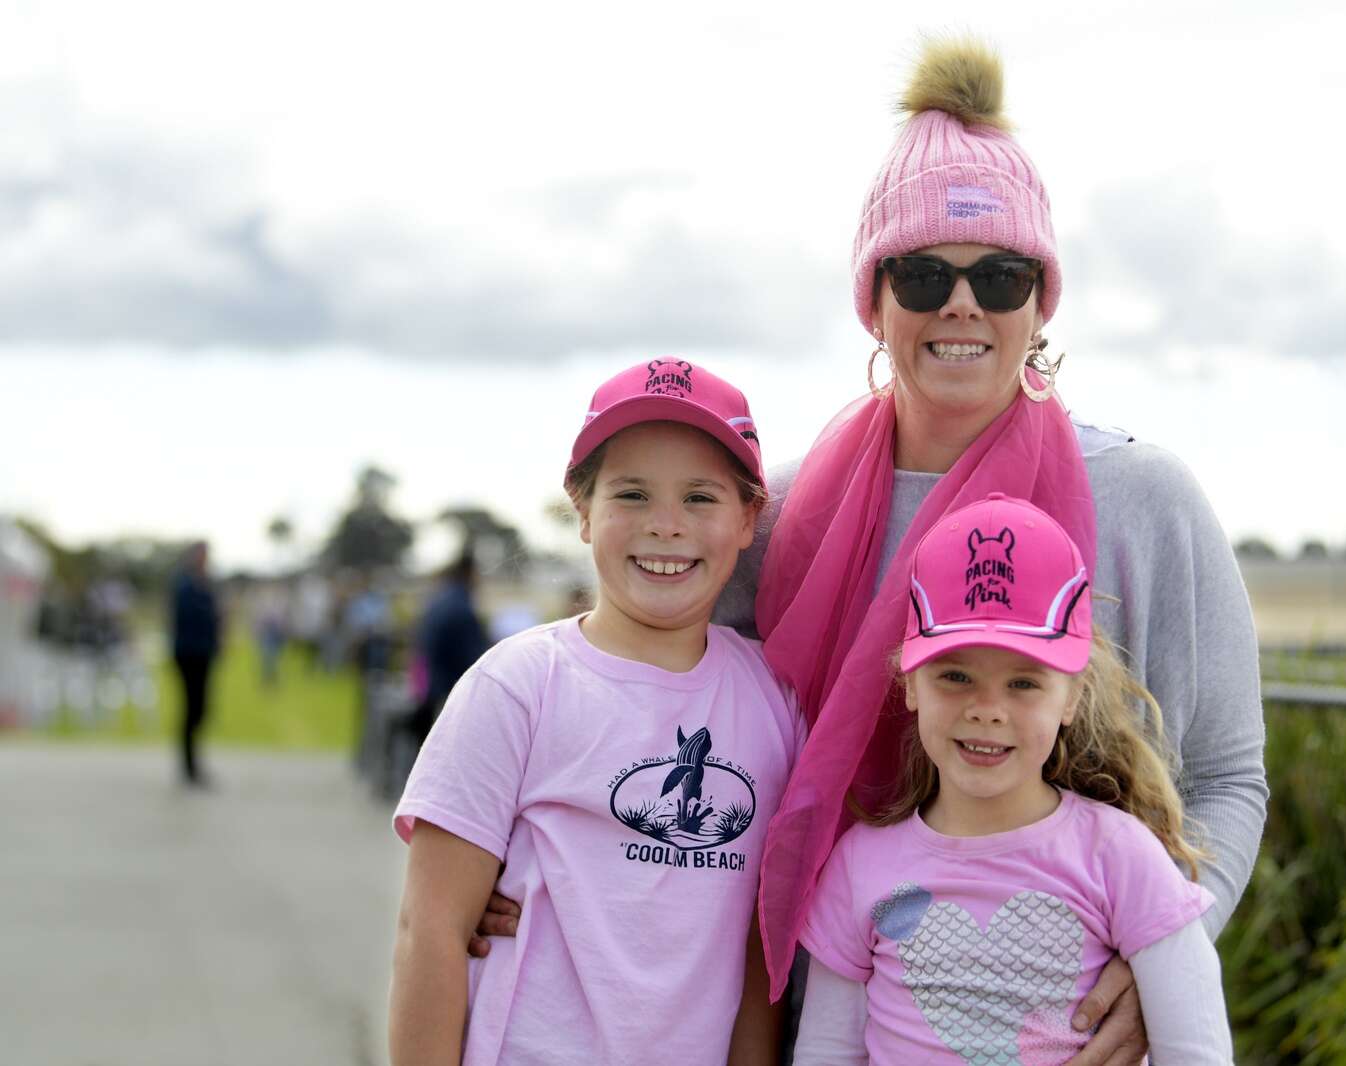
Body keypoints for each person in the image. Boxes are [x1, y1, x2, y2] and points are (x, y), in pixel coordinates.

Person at [474, 37, 1266, 1062]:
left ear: (1042, 300)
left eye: (1002, 276)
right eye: (923, 272)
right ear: (874, 299)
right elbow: (653, 710)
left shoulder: (1146, 502)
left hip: (1068, 1034)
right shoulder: (778, 517)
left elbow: (1227, 773)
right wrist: (523, 856)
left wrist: (1162, 968)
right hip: (806, 1009)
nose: (961, 304)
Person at [388, 360, 807, 1066]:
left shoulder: (776, 699)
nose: (665, 525)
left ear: (748, 519)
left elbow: (758, 956)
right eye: (632, 494)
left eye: (700, 498)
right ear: (583, 511)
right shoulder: (518, 687)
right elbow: (429, 931)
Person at [791, 495, 1232, 1064]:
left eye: (1023, 684)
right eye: (955, 676)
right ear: (910, 682)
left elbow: (1196, 1050)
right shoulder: (860, 865)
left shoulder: (1119, 856)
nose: (987, 710)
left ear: (1071, 696)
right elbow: (827, 1050)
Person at [411, 550, 490, 743]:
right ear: (469, 573)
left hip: (428, 685)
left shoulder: (438, 600)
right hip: (445, 692)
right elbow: (473, 660)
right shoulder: (461, 608)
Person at [170, 540, 220, 787]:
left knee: (200, 709)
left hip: (203, 652)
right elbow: (189, 614)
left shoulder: (205, 582)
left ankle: (193, 763)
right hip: (189, 652)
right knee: (192, 708)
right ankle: (189, 766)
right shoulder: (185, 583)